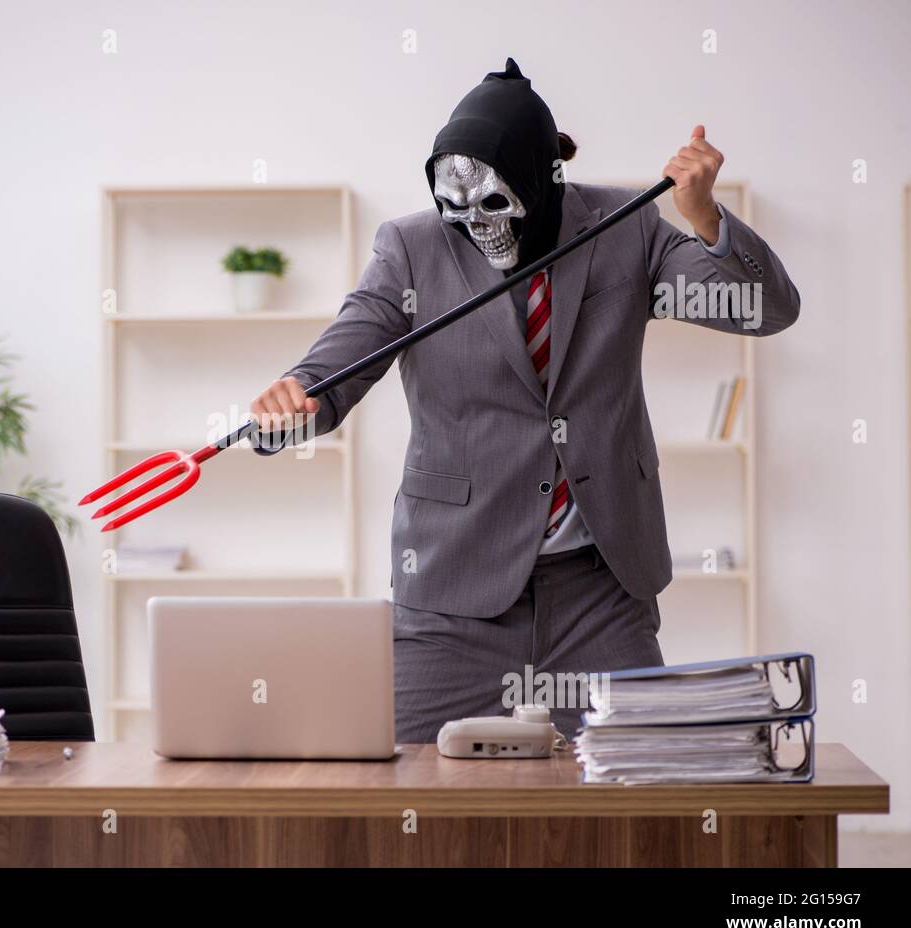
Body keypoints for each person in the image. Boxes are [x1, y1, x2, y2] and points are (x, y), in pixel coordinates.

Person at [249, 58, 800, 740]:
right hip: (453, 593)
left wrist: (704, 217)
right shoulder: (411, 247)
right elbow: (341, 357)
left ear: (545, 178)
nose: (476, 228)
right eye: (454, 210)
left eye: (492, 204)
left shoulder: (624, 225)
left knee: (631, 799)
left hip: (601, 592)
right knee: (406, 802)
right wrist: (293, 403)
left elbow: (766, 308)